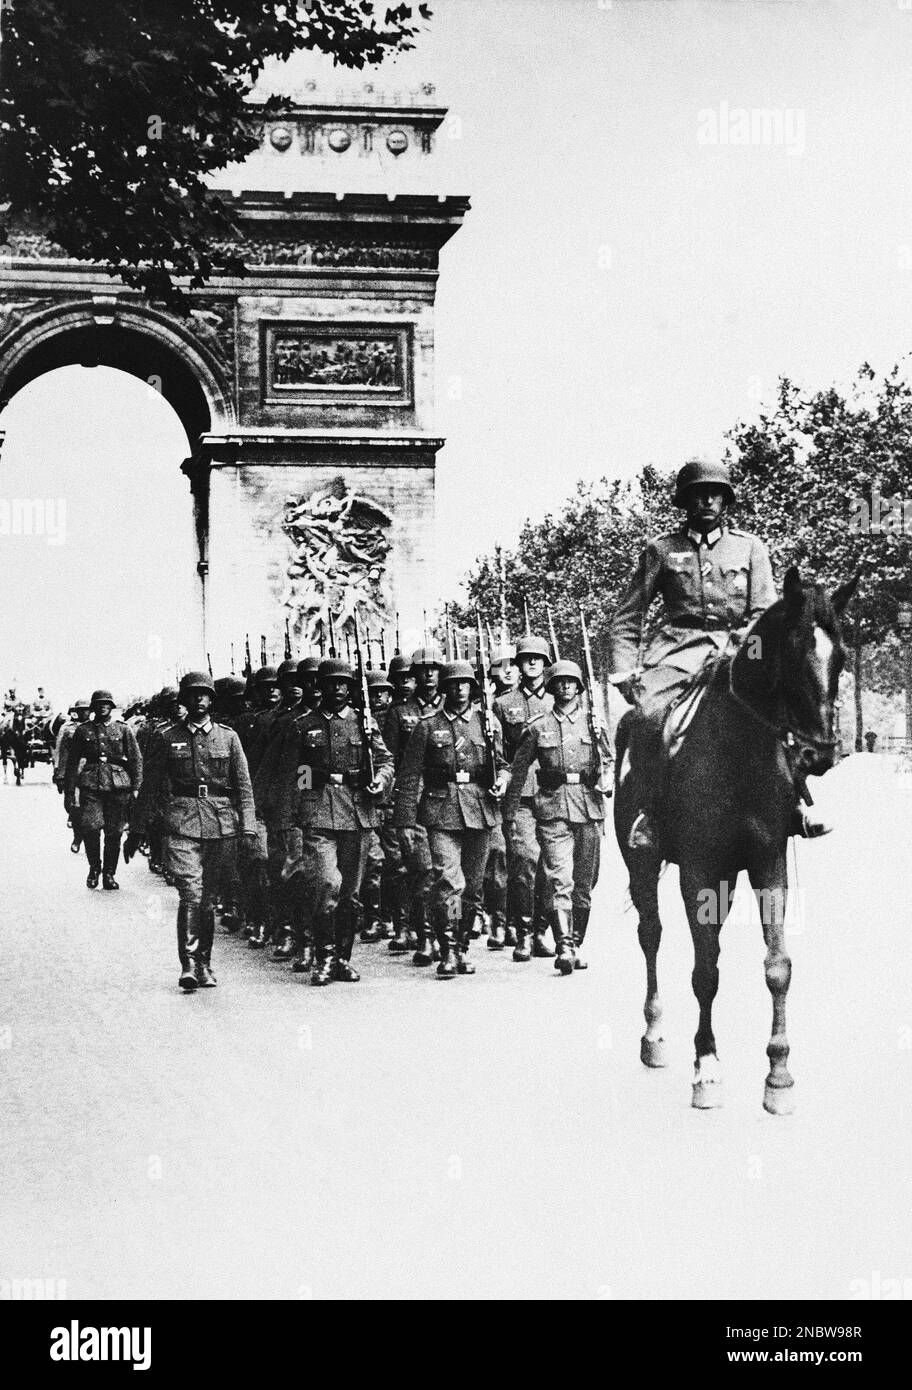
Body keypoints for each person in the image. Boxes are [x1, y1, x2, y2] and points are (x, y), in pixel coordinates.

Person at [607, 457, 827, 849]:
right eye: (697, 494)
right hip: (677, 653)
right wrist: (624, 672)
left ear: (726, 502)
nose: (706, 501)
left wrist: (751, 646)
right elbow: (628, 616)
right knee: (647, 717)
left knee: (782, 708)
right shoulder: (660, 550)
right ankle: (651, 814)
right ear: (684, 502)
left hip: (741, 649)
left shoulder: (750, 548)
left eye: (715, 494)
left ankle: (793, 803)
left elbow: (764, 611)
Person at [127, 671, 256, 991]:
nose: (199, 699)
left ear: (212, 700)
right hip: (180, 822)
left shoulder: (228, 737)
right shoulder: (166, 736)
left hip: (220, 824)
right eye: (193, 695)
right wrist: (138, 828)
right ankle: (188, 963)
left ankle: (204, 963)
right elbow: (151, 785)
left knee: (209, 900)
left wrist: (249, 826)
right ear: (184, 700)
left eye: (205, 695)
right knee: (191, 894)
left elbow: (243, 787)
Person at [274, 658, 393, 986]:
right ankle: (324, 957)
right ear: (320, 687)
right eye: (331, 684)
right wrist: (312, 787)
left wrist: (380, 781)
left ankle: (342, 958)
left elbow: (385, 761)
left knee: (350, 893)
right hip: (319, 813)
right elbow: (295, 773)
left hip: (357, 814)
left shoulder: (363, 723)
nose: (338, 689)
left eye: (343, 684)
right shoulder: (304, 724)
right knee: (327, 883)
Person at [394, 659, 508, 979]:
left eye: (465, 683)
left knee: (472, 888)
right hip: (441, 811)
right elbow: (410, 775)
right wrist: (404, 821)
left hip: (480, 809)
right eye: (453, 683)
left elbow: (503, 764)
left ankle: (461, 946)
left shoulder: (488, 723)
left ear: (473, 687)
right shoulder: (428, 725)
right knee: (449, 882)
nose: (459, 688)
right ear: (444, 688)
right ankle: (446, 949)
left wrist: (503, 781)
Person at [504, 661, 606, 974]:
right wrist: (509, 813)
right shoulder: (538, 726)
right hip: (553, 810)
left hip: (588, 808)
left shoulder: (594, 724)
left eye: (570, 682)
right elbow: (519, 769)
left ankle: (576, 943)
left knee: (585, 885)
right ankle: (564, 946)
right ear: (552, 687)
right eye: (559, 682)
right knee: (560, 877)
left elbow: (610, 760)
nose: (564, 687)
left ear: (579, 686)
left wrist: (608, 777)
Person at [494, 633, 556, 961]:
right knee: (524, 862)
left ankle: (543, 931)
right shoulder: (503, 705)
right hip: (520, 794)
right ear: (518, 664)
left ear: (546, 664)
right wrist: (503, 778)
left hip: (553, 792)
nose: (532, 663)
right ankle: (523, 932)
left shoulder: (557, 701)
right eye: (526, 658)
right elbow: (498, 754)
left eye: (538, 658)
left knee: (550, 864)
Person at [382, 646, 445, 964]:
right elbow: (390, 760)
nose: (429, 674)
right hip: (415, 798)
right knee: (421, 871)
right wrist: (394, 805)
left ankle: (452, 933)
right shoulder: (398, 712)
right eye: (423, 670)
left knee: (448, 874)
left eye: (435, 668)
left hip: (449, 799)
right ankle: (425, 937)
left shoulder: (453, 708)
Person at [64, 690, 143, 889]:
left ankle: (109, 873)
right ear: (93, 707)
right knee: (91, 827)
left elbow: (135, 759)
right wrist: (70, 791)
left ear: (112, 706)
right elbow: (72, 762)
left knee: (114, 832)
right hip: (91, 784)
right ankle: (94, 868)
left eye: (106, 703)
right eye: (99, 704)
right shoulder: (83, 730)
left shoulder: (123, 729)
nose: (103, 707)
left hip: (118, 786)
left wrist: (136, 787)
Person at [54, 698, 91, 852]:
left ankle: (87, 837)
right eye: (82, 710)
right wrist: (59, 774)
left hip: (91, 771)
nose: (85, 712)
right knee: (74, 807)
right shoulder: (67, 728)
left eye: (87, 709)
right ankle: (77, 837)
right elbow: (60, 751)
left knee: (90, 808)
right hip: (73, 771)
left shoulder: (94, 727)